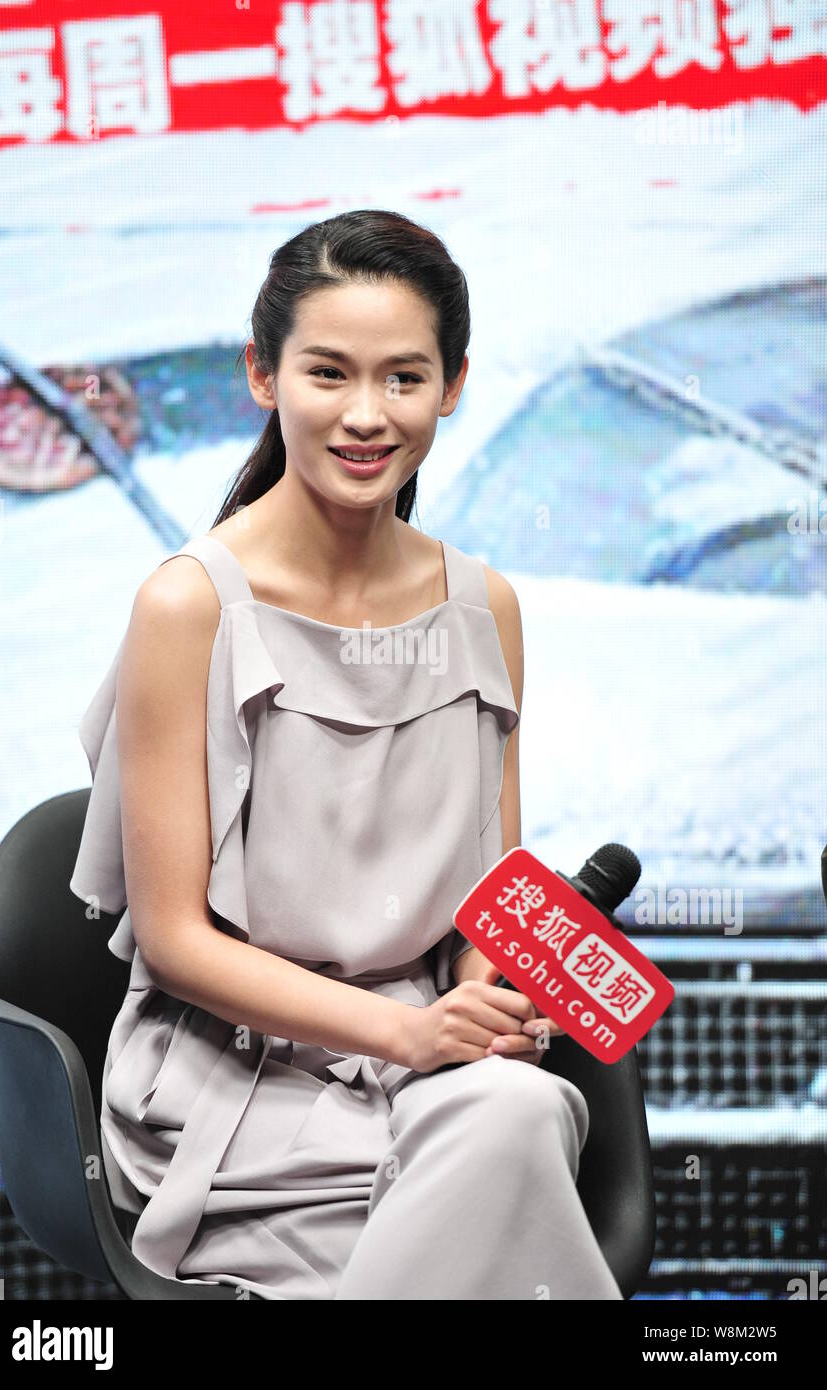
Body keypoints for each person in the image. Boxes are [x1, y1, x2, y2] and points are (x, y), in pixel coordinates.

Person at [69, 208, 623, 1300]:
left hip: (434, 1065)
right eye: (329, 373)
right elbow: (176, 942)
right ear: (263, 376)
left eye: (404, 379)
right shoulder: (189, 605)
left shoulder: (484, 606)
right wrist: (407, 1033)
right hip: (239, 1088)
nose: (366, 415)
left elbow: (486, 905)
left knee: (512, 1109)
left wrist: (490, 996)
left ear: (452, 384)